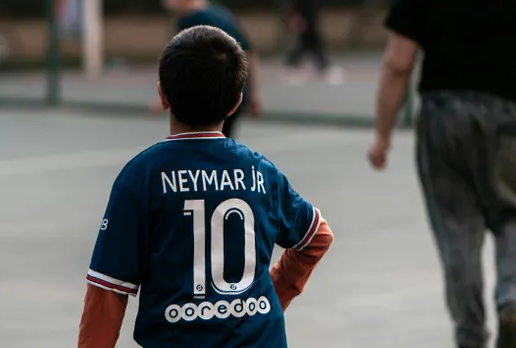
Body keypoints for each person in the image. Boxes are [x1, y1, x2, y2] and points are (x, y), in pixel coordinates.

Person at [368, 0, 516, 348]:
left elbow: (396, 68)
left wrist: (382, 135)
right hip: (508, 118)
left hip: (442, 120)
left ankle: (471, 333)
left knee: (457, 231)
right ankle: (512, 300)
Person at [78, 26, 333, 348]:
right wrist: (273, 296)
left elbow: (108, 291)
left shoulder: (142, 176)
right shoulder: (261, 173)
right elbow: (316, 237)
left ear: (163, 95)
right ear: (235, 103)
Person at [154, 0, 261, 139]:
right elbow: (249, 52)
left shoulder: (193, 21)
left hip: (210, 97)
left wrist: (169, 93)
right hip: (233, 93)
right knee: (219, 146)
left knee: (200, 145)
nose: (165, 1)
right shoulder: (220, 13)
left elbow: (180, 65)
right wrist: (253, 93)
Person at [285, 0, 344, 84]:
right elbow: (292, 3)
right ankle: (294, 66)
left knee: (311, 44)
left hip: (312, 20)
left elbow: (318, 5)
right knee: (307, 43)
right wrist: (295, 18)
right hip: (303, 20)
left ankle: (320, 67)